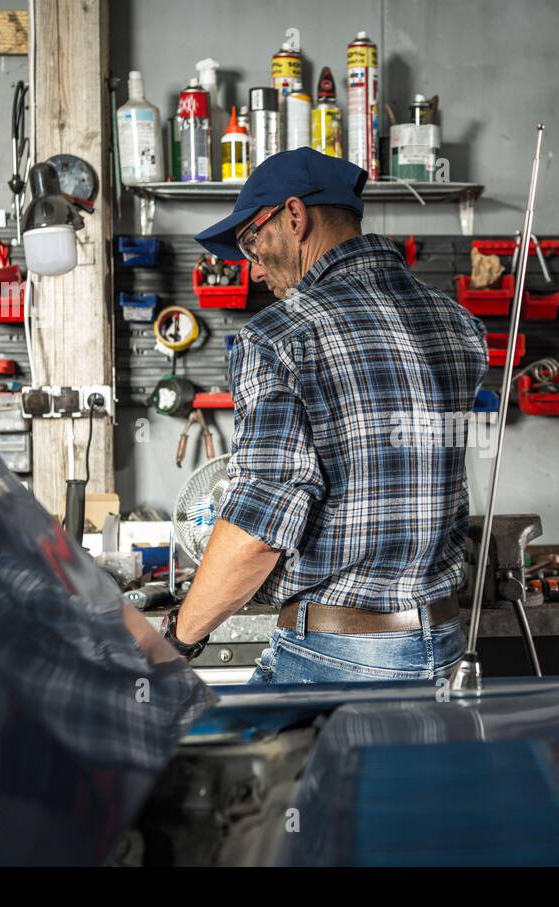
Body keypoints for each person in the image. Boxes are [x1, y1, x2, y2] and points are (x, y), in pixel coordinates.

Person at [158, 148, 488, 684]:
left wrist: (177, 637)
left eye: (252, 242)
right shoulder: (458, 323)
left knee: (222, 763)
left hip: (337, 658)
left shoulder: (277, 336)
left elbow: (258, 532)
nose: (255, 268)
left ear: (295, 216)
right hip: (445, 649)